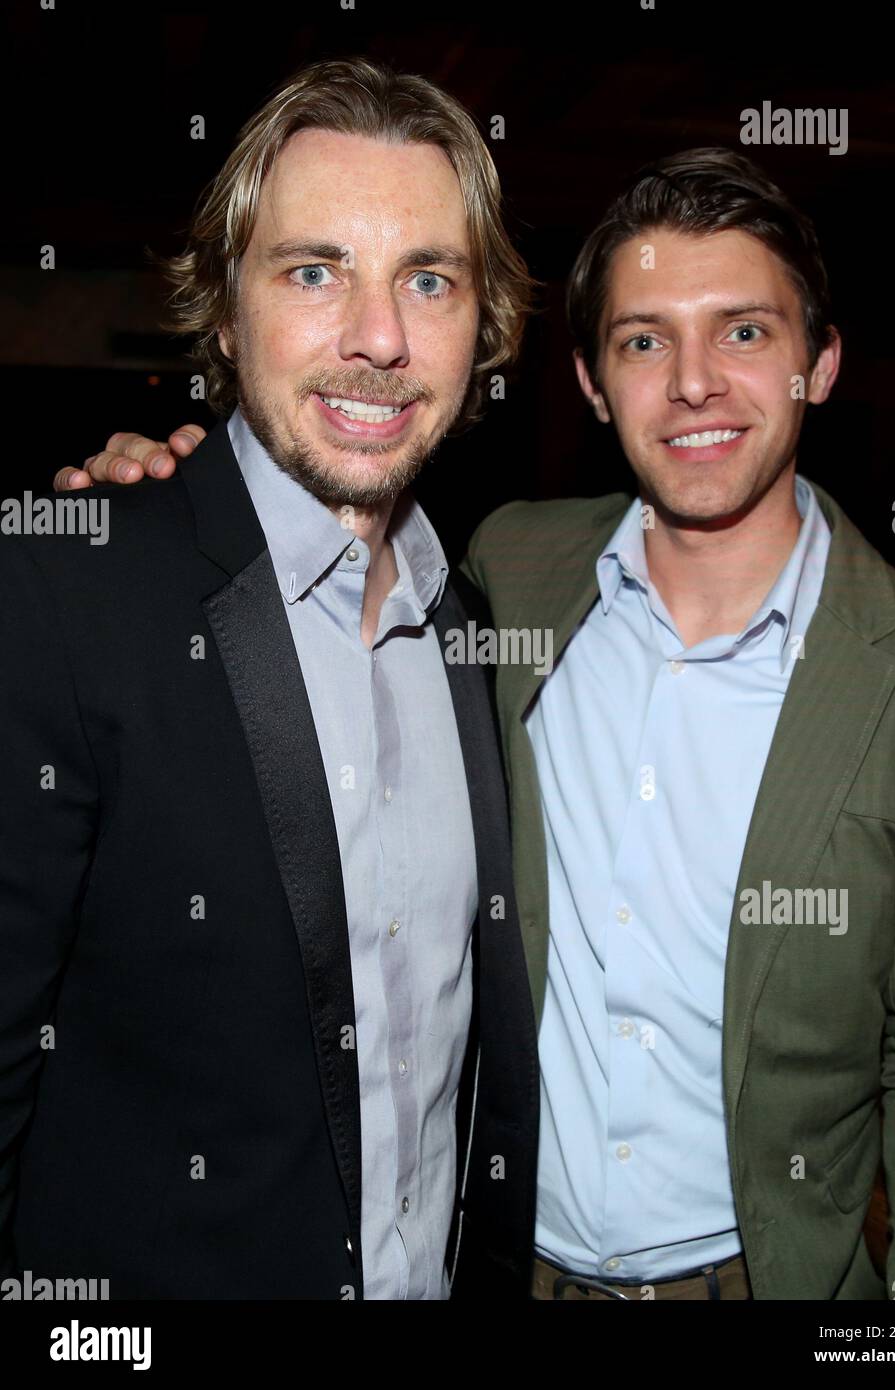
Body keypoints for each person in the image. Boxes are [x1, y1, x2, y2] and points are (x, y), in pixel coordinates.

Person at [62, 149, 895, 1301]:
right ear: (594, 383)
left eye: (745, 333)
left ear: (823, 361)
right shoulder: (509, 570)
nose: (695, 382)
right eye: (645, 340)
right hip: (498, 1272)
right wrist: (159, 496)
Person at [1, 56, 540, 1301]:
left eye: (428, 277)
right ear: (226, 311)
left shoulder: (470, 624)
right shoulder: (63, 590)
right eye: (315, 270)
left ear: (485, 324)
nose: (379, 337)